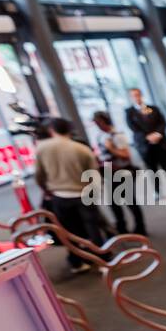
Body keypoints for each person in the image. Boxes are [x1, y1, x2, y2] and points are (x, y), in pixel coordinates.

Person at [35, 117, 104, 274]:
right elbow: (95, 176)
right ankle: (102, 259)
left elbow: (39, 175)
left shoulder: (42, 148)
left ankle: (77, 261)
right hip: (83, 193)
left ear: (52, 130)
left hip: (59, 196)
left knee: (68, 231)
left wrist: (46, 190)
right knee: (93, 228)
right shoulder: (81, 149)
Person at [91, 110, 145, 237]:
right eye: (96, 123)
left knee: (130, 201)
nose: (97, 125)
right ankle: (121, 228)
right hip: (108, 172)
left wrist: (111, 149)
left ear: (105, 121)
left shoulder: (117, 135)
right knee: (113, 203)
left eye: (99, 122)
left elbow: (126, 155)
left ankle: (141, 227)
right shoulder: (100, 136)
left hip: (122, 171)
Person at [125, 88, 166, 178]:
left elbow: (162, 122)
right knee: (152, 169)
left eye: (138, 94)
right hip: (144, 144)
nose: (136, 97)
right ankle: (158, 190)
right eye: (134, 96)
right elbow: (133, 127)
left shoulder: (153, 108)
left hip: (160, 142)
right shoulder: (129, 112)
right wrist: (148, 137)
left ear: (141, 95)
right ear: (130, 98)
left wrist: (157, 134)